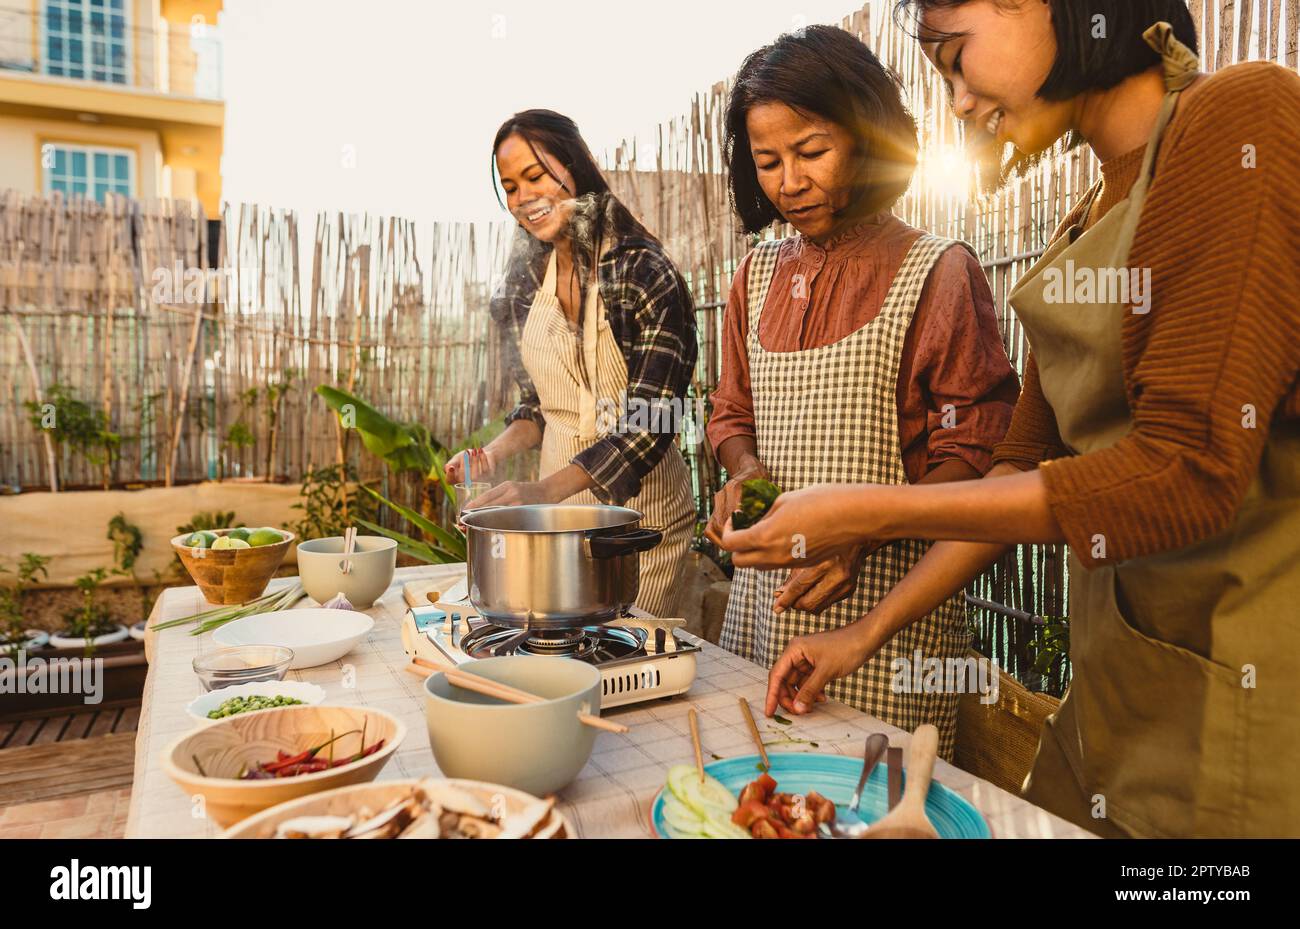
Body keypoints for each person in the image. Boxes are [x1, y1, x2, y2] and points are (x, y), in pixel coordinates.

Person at [723, 0, 1300, 837]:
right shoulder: (1085, 223)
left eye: (959, 56)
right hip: (1112, 698)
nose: (957, 100)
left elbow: (1188, 470)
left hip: (1240, 715)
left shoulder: (1241, 114)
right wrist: (861, 632)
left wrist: (870, 507)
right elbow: (1014, 474)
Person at [706, 25, 1018, 759]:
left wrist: (862, 530)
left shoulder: (936, 273)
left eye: (812, 152)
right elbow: (731, 411)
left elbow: (976, 461)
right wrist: (743, 473)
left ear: (869, 138)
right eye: (769, 162)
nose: (789, 180)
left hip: (890, 631)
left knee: (871, 802)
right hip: (762, 617)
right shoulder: (755, 279)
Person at [449, 110, 697, 618]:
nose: (523, 198)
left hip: (636, 530)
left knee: (623, 663)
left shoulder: (642, 270)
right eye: (511, 186)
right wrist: (492, 457)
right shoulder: (526, 280)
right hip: (554, 526)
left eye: (536, 176)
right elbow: (541, 407)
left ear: (575, 167)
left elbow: (651, 425)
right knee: (559, 659)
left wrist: (540, 490)